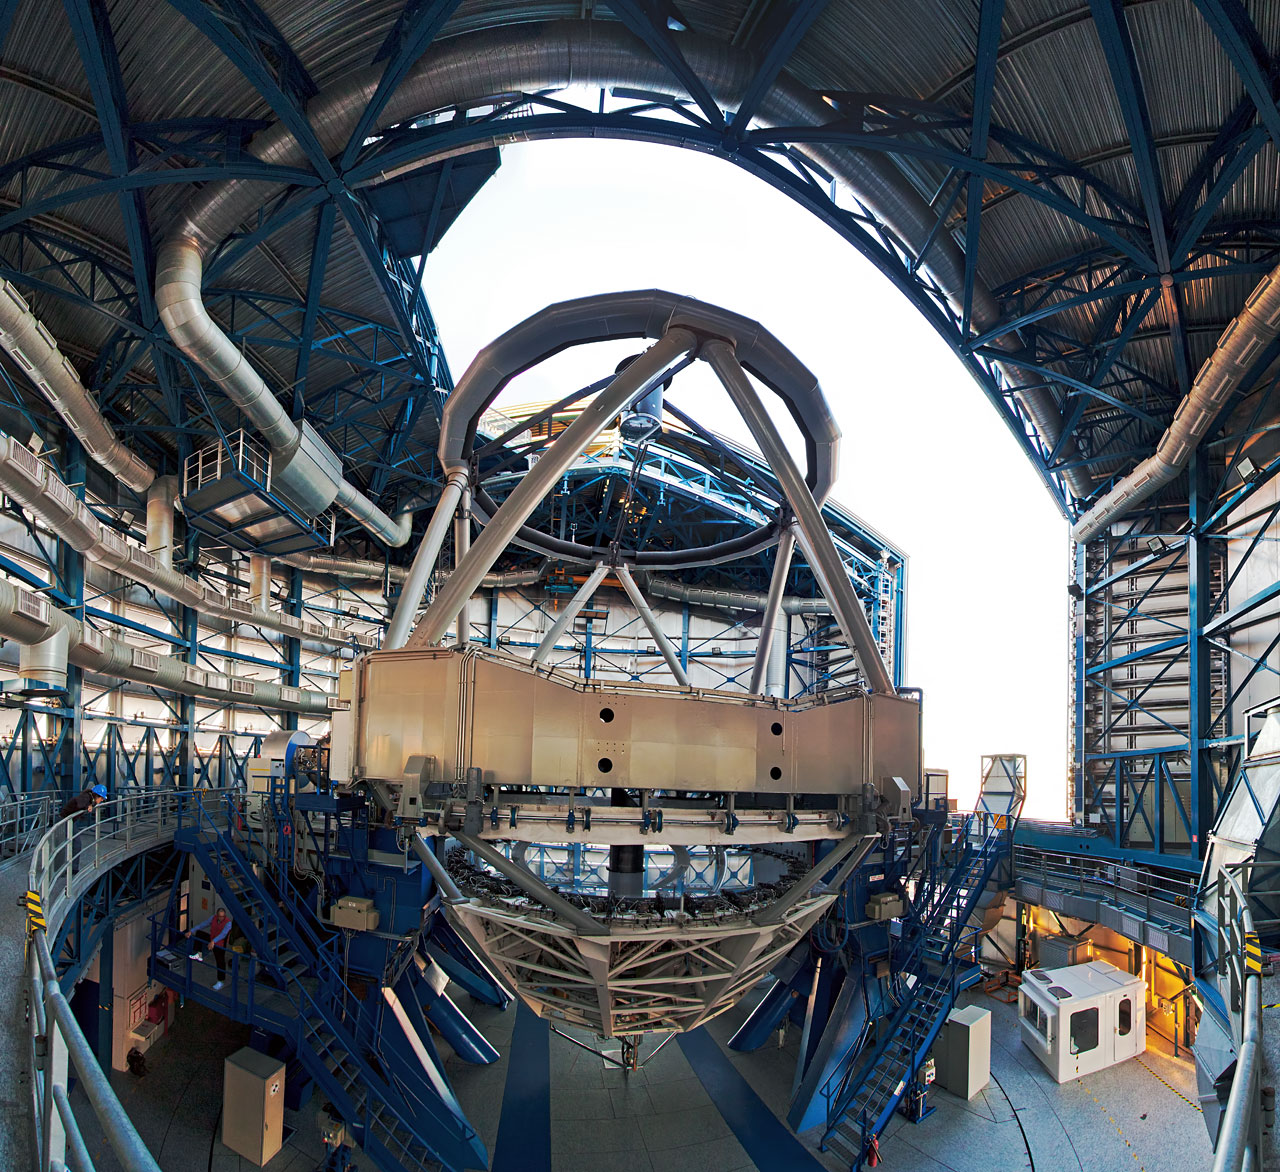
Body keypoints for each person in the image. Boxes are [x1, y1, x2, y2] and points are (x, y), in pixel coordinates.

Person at [187, 907, 233, 990]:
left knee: (220, 961)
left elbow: (223, 934)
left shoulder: (228, 923)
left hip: (220, 943)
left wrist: (213, 942)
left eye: (223, 916)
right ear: (217, 915)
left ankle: (221, 981)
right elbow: (203, 924)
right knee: (199, 934)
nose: (221, 918)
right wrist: (191, 931)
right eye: (220, 916)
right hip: (212, 939)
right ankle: (199, 954)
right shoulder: (213, 918)